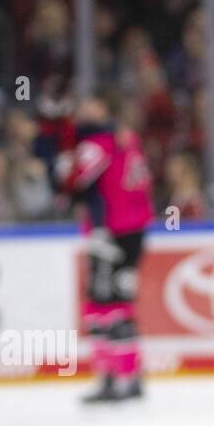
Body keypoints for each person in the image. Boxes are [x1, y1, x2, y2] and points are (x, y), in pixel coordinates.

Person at [57, 95, 153, 403]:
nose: (83, 110)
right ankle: (129, 377)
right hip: (132, 231)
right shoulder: (127, 140)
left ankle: (113, 378)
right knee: (119, 303)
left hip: (110, 232)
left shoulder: (99, 143)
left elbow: (72, 183)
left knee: (102, 306)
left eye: (90, 105)